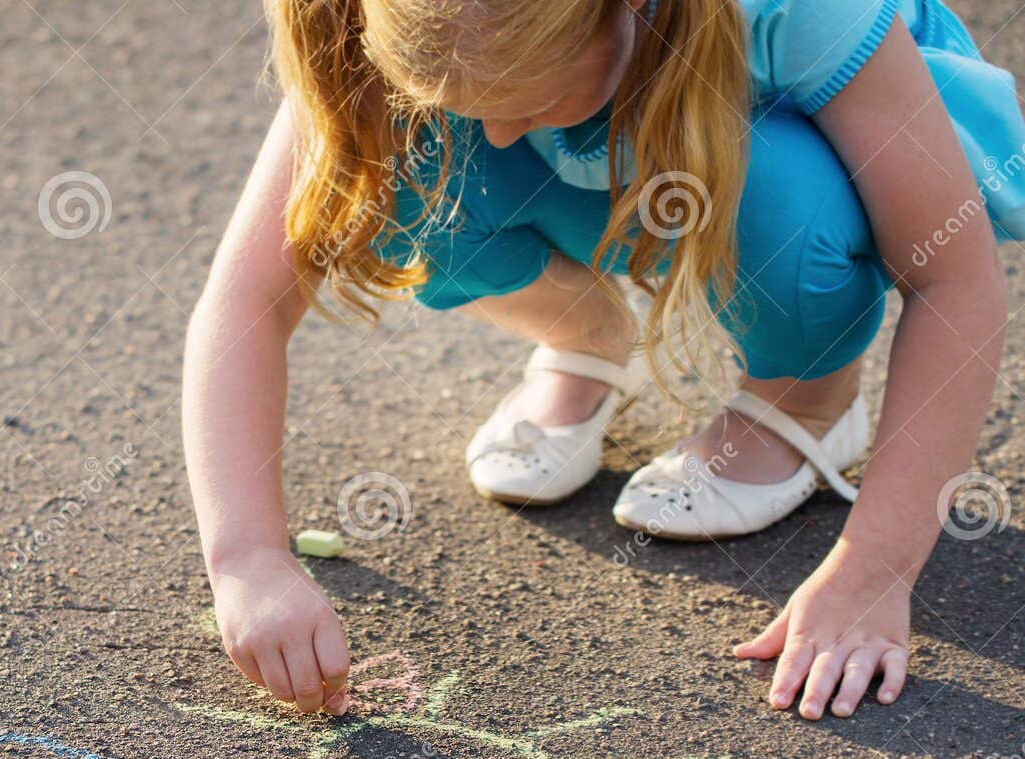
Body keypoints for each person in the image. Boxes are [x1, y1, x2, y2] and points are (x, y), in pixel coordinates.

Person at [183, 0, 1022, 718]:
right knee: (388, 156)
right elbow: (244, 302)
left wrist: (877, 568)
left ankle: (808, 399)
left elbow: (955, 280)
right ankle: (586, 336)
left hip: (763, 144)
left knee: (787, 193)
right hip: (629, 145)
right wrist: (247, 559)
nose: (499, 131)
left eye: (531, 93)